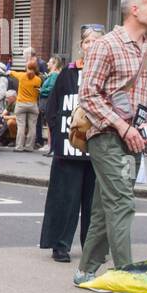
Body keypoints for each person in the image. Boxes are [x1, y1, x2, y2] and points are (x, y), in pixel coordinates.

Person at [73, 0, 147, 293]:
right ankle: (127, 278)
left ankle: (85, 271)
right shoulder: (105, 46)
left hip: (135, 140)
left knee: (105, 205)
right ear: (134, 10)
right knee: (122, 202)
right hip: (108, 137)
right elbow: (89, 95)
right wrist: (123, 126)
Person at [40, 31, 100, 263]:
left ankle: (92, 247)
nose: (91, 45)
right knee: (65, 199)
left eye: (96, 41)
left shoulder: (107, 75)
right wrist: (57, 136)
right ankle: (60, 245)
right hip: (68, 149)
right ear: (81, 46)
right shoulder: (68, 73)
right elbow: (52, 106)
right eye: (87, 41)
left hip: (96, 150)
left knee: (93, 202)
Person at [14, 55, 42, 151]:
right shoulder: (38, 80)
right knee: (32, 126)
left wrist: (8, 71)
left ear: (26, 68)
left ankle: (19, 147)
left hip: (21, 104)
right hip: (33, 105)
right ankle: (29, 147)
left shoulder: (21, 76)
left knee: (21, 126)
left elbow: (12, 73)